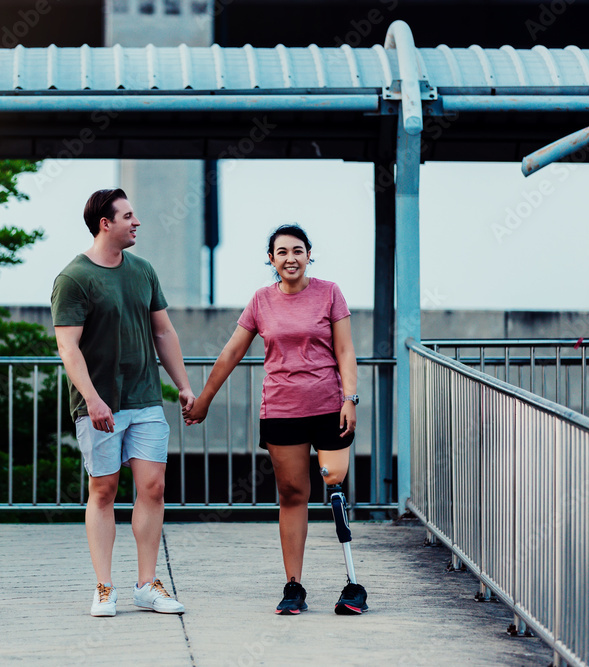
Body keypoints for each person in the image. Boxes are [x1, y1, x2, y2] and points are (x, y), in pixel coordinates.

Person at [183, 224, 362, 615]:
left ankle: (352, 583)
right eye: (282, 252)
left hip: (329, 405)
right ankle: (294, 586)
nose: (290, 258)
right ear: (271, 259)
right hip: (281, 410)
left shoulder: (329, 292)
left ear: (309, 254)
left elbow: (346, 351)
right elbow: (231, 353)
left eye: (297, 251)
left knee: (332, 486)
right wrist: (205, 400)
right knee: (293, 495)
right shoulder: (261, 301)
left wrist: (350, 398)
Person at [51, 188, 196, 618]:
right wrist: (93, 400)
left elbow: (163, 333)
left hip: (145, 398)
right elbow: (68, 347)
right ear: (105, 224)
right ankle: (103, 587)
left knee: (153, 487)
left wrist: (183, 386)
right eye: (129, 216)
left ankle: (147, 585)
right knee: (104, 490)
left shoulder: (143, 271)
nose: (137, 223)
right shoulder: (74, 278)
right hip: (100, 406)